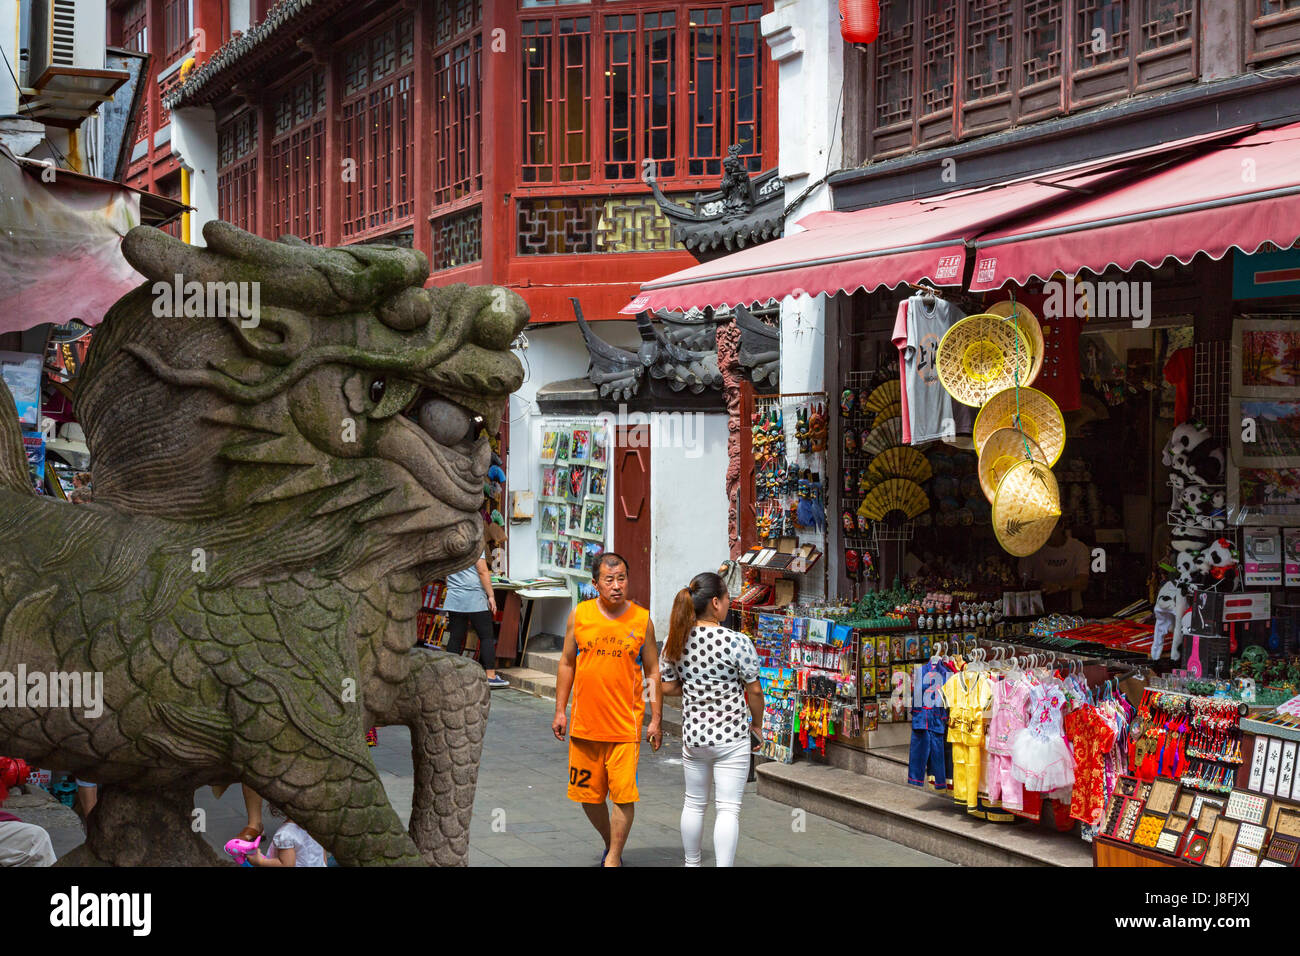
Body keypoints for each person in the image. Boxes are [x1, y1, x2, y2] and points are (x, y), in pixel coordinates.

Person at [552, 552, 661, 867]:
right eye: (609, 579)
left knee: (624, 795)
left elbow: (653, 671)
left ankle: (613, 857)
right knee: (588, 796)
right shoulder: (581, 615)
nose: (617, 586)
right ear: (595, 583)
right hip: (585, 724)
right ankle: (609, 841)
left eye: (622, 578)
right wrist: (561, 710)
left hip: (626, 727)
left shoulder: (641, 620)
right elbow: (567, 662)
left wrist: (655, 718)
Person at [658, 572, 762, 867]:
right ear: (715, 603)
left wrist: (692, 685)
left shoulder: (675, 640)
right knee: (728, 808)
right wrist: (758, 724)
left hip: (694, 737)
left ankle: (692, 864)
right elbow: (753, 689)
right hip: (732, 737)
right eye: (728, 597)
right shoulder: (737, 642)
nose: (729, 602)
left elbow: (665, 685)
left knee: (694, 802)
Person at [443, 550, 507, 689]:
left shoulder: (450, 547)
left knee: (455, 637)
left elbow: (446, 574)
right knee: (486, 637)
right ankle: (490, 675)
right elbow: (483, 571)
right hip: (475, 598)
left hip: (455, 597)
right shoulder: (475, 546)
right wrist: (491, 595)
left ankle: (449, 673)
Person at [1018, 524, 1091, 613]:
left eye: (1049, 526)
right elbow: (1023, 580)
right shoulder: (1032, 548)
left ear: (1061, 526)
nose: (1045, 531)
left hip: (1071, 610)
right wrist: (1040, 585)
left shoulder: (1078, 548)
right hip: (1038, 609)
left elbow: (1083, 582)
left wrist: (1059, 586)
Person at [248, 808, 327, 868]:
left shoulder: (286, 834)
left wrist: (260, 861)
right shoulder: (317, 825)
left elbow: (287, 864)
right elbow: (323, 854)